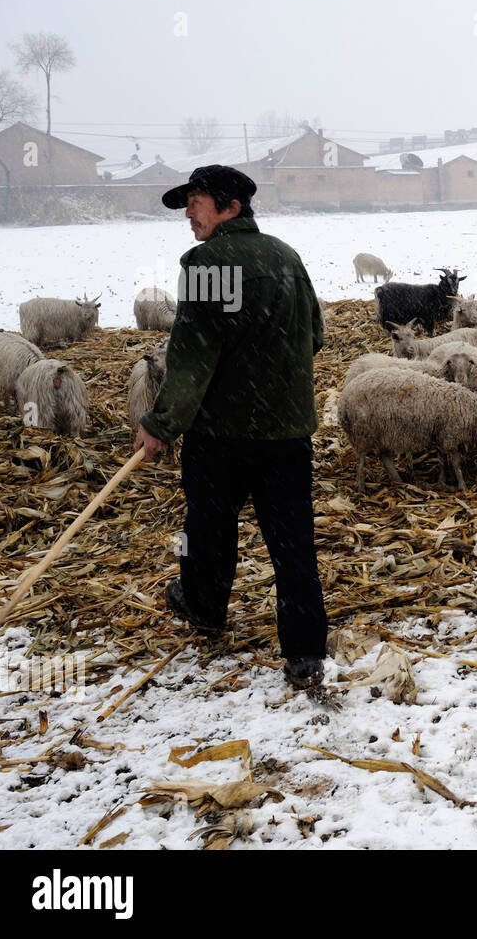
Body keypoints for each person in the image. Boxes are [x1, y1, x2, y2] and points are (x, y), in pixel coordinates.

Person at [135, 164, 328, 689]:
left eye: (196, 202)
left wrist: (161, 423)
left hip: (220, 436)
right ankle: (306, 652)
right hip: (287, 434)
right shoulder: (287, 257)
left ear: (230, 208)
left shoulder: (206, 264)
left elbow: (192, 358)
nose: (188, 214)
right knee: (292, 541)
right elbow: (314, 333)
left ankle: (204, 608)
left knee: (209, 528)